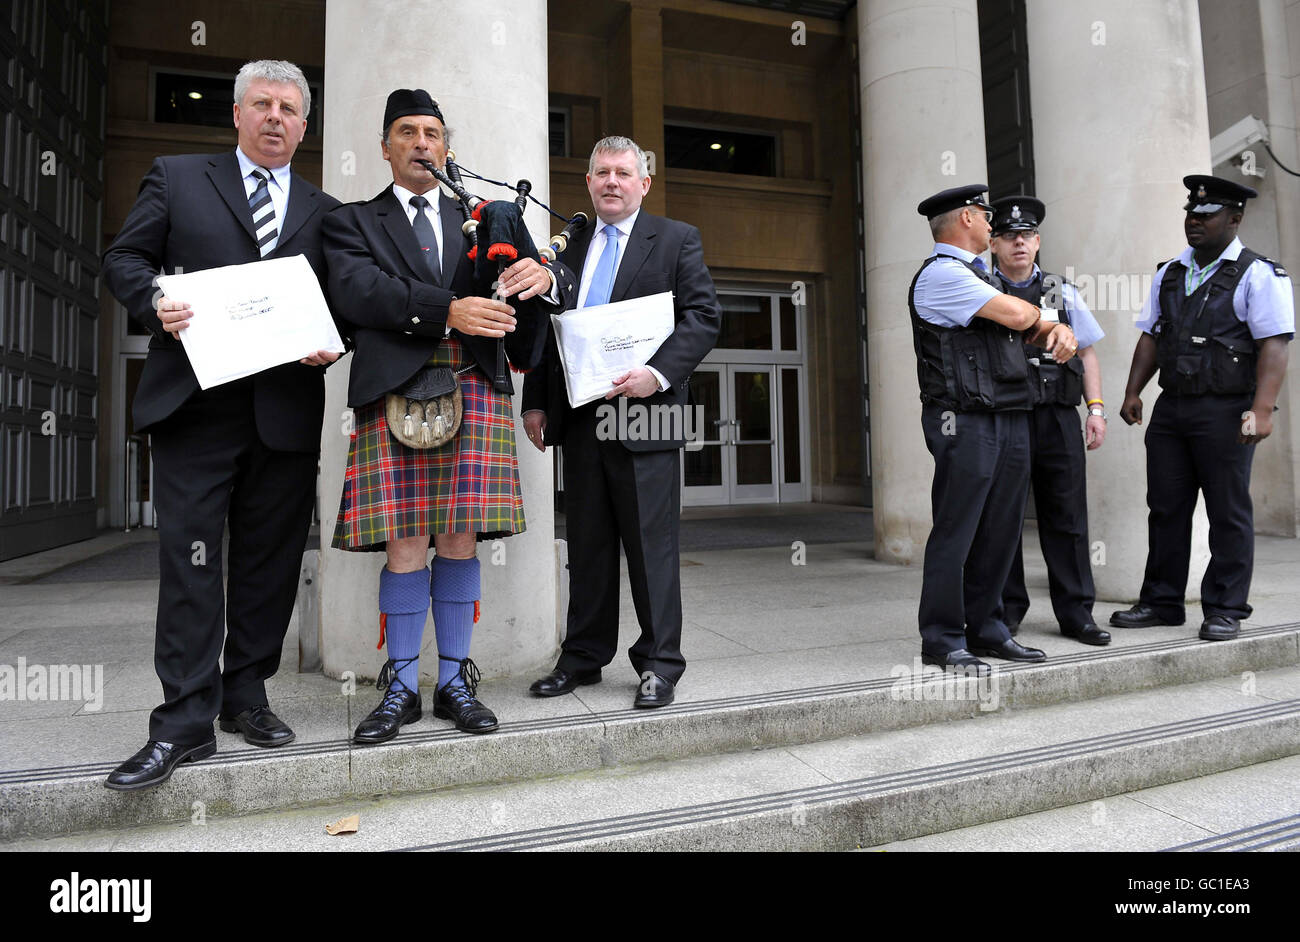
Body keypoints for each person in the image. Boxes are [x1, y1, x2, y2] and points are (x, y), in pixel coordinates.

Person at [100, 60, 341, 790]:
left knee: (268, 566)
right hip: (195, 407)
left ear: (304, 126)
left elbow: (347, 300)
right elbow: (124, 258)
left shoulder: (326, 212)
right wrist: (153, 301)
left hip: (285, 412)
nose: (275, 117)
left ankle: (246, 696)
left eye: (289, 108)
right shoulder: (177, 178)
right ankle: (182, 723)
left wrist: (337, 342)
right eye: (262, 104)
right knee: (192, 565)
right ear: (236, 114)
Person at [323, 89, 572, 742]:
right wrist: (448, 311)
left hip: (476, 385)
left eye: (432, 132)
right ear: (385, 146)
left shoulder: (490, 215)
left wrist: (542, 280)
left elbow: (535, 298)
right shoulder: (352, 221)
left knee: (460, 538)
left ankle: (456, 679)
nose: (421, 142)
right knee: (406, 542)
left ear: (446, 145)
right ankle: (401, 683)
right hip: (395, 390)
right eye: (406, 131)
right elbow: (356, 291)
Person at [521, 136, 721, 708]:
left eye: (623, 173)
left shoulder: (676, 239)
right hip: (583, 417)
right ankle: (583, 657)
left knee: (650, 546)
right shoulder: (570, 243)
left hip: (648, 414)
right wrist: (536, 401)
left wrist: (656, 373)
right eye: (601, 172)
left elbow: (704, 318)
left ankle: (660, 662)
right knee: (586, 545)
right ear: (588, 182)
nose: (611, 181)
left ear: (643, 184)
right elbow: (547, 327)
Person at [1111, 175, 1293, 642]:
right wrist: (1134, 391)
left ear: (1234, 219)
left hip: (1227, 410)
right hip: (1173, 409)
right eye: (1191, 214)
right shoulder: (1169, 271)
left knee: (1227, 510)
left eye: (1207, 215)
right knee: (1166, 507)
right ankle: (1161, 601)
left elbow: (1274, 345)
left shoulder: (1259, 274)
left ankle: (1226, 607)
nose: (1195, 221)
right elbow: (1152, 335)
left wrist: (1263, 409)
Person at [909, 184, 1078, 674]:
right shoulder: (943, 275)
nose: (993, 224)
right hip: (963, 420)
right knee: (957, 531)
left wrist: (1057, 328)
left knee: (1000, 532)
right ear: (966, 218)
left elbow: (1036, 322)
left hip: (1008, 415)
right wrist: (1050, 324)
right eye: (986, 216)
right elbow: (1020, 313)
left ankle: (987, 627)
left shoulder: (979, 276)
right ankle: (942, 638)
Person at [989, 196, 1111, 646]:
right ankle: (1006, 611)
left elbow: (1087, 351)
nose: (1019, 243)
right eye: (1009, 236)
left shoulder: (1060, 289)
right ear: (995, 244)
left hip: (1058, 416)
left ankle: (1077, 613)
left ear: (1037, 242)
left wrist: (1095, 408)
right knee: (1003, 519)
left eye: (1027, 236)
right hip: (1007, 418)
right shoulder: (985, 289)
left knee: (1068, 516)